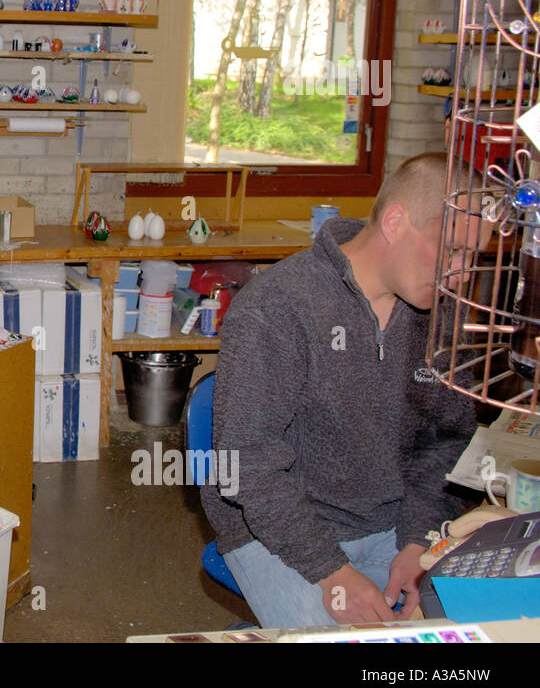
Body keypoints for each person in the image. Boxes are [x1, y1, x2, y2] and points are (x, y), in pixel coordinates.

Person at [201, 152, 490, 628]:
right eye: (453, 252)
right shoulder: (277, 308)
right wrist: (331, 571)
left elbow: (445, 444)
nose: (460, 274)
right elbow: (247, 467)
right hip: (276, 528)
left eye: (472, 258)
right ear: (396, 222)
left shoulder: (445, 316)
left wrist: (418, 539)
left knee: (468, 623)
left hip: (392, 522)